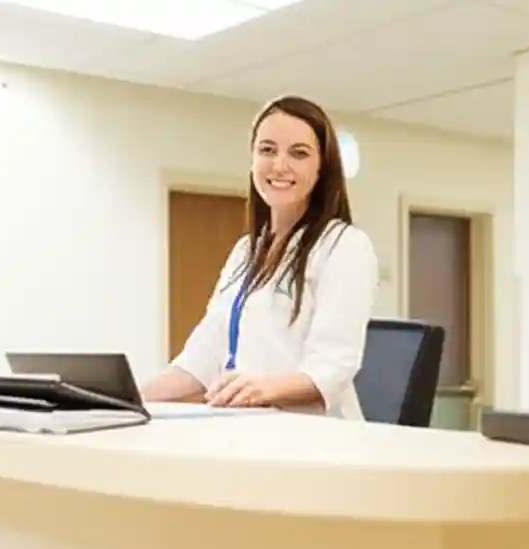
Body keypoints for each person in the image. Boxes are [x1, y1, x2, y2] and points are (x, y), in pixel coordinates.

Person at [141, 95, 378, 420]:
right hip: (245, 427)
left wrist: (264, 389)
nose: (279, 165)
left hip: (314, 440)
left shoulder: (343, 245)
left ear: (322, 166)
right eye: (267, 150)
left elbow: (333, 368)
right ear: (252, 159)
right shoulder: (246, 252)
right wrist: (125, 397)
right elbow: (201, 358)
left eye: (299, 153)